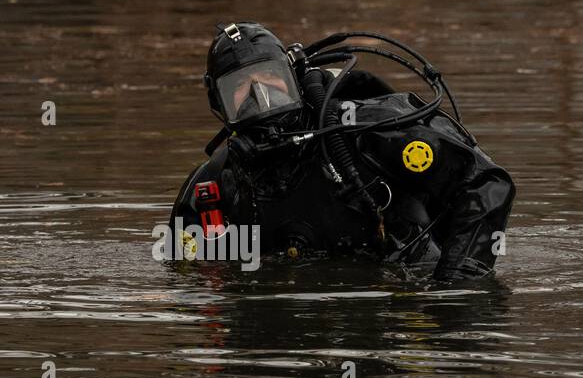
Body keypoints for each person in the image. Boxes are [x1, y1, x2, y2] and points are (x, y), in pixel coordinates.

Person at [167, 22, 515, 281]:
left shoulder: (366, 131)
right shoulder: (212, 187)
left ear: (293, 77)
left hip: (402, 315)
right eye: (239, 86)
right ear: (219, 104)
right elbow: (184, 272)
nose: (259, 93)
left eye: (269, 76)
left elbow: (487, 183)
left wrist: (455, 287)